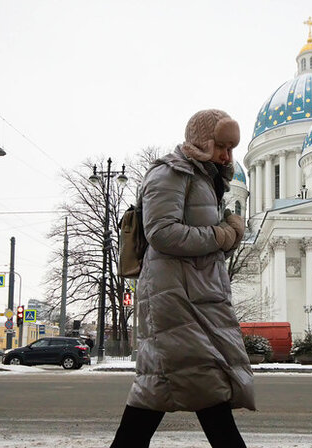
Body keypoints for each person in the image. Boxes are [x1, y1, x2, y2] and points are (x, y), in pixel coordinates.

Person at [110, 109, 251, 448]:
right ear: (202, 140)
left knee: (165, 388)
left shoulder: (204, 179)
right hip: (175, 299)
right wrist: (221, 235)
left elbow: (203, 246)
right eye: (221, 146)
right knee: (205, 385)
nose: (227, 156)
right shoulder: (170, 175)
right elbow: (162, 233)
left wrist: (227, 236)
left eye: (231, 149)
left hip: (196, 297)